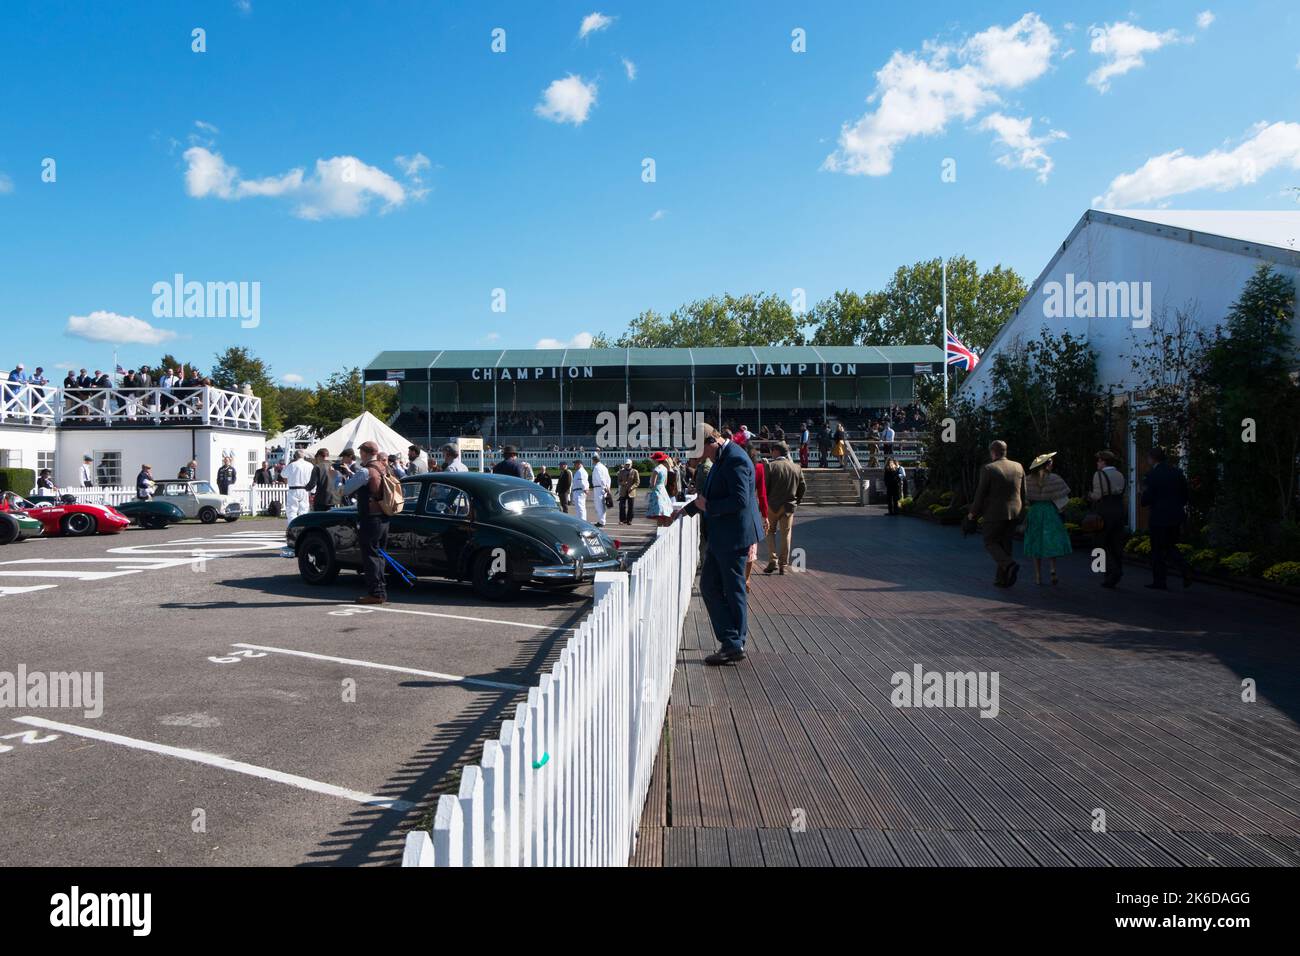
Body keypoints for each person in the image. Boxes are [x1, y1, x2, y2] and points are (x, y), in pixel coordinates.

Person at [673, 424, 764, 665]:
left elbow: (740, 500)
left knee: (732, 590)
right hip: (723, 535)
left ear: (709, 442)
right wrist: (688, 509)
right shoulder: (721, 457)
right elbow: (710, 495)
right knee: (712, 586)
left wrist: (708, 508)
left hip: (733, 537)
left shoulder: (735, 459)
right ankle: (732, 641)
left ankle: (734, 644)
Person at [967, 440, 1026, 588]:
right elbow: (1023, 492)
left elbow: (980, 494)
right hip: (1014, 512)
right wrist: (1022, 511)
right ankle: (1002, 579)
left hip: (995, 513)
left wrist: (973, 513)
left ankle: (1009, 564)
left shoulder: (988, 468)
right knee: (1006, 544)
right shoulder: (1018, 466)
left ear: (992, 452)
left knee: (990, 541)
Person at [340, 441, 392, 605]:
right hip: (384, 515)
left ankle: (375, 593)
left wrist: (338, 481)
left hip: (370, 517)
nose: (359, 455)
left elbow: (346, 490)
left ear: (364, 453)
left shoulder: (365, 471)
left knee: (370, 556)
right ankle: (381, 591)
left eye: (361, 452)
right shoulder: (384, 467)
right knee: (379, 555)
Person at [1142, 447, 1191, 590]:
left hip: (1159, 516)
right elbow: (1185, 494)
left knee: (1157, 548)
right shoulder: (1177, 472)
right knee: (1170, 545)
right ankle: (1184, 568)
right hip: (1175, 515)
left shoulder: (1152, 475)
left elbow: (1147, 498)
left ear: (1152, 458)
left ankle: (1160, 580)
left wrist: (1143, 496)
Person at [1023, 452, 1072, 585]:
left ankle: (1038, 576)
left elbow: (1025, 499)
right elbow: (1064, 500)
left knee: (1035, 543)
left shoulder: (1028, 480)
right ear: (1047, 465)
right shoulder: (1054, 478)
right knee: (1051, 540)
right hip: (1050, 511)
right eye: (1050, 463)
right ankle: (1052, 568)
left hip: (1035, 511)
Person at [762, 442, 805, 574]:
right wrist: (796, 501)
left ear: (776, 451)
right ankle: (783, 565)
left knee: (770, 532)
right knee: (786, 534)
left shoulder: (770, 466)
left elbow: (765, 487)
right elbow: (802, 487)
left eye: (772, 451)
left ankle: (772, 560)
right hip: (788, 506)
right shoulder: (796, 467)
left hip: (772, 505)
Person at [1090, 449, 1127, 589]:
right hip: (1118, 509)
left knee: (1100, 542)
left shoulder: (1099, 475)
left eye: (1098, 460)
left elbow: (1097, 495)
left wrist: (1090, 495)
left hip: (1104, 509)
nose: (1097, 463)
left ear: (1103, 461)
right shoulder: (1120, 474)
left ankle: (1110, 572)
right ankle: (1116, 570)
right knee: (1116, 542)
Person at [744, 445, 769, 591]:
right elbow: (762, 494)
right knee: (751, 547)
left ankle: (739, 577)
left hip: (736, 510)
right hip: (752, 511)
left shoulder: (738, 466)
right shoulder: (759, 468)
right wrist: (765, 516)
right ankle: (747, 578)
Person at [283, 450, 313, 524]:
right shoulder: (310, 465)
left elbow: (283, 474)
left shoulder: (292, 465)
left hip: (293, 489)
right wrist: (313, 491)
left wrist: (290, 463)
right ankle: (303, 526)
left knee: (292, 510)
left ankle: (292, 526)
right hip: (305, 489)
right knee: (304, 510)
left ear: (295, 456)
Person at [645, 451, 672, 526]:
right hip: (663, 490)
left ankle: (660, 530)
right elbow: (665, 483)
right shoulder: (665, 468)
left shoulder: (656, 469)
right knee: (664, 514)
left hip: (657, 491)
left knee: (659, 515)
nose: (653, 460)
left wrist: (651, 486)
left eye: (654, 459)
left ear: (657, 460)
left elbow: (652, 484)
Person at [590, 453, 611, 527]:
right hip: (602, 488)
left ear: (594, 460)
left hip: (599, 488)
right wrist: (608, 487)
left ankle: (601, 521)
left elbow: (600, 478)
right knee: (602, 505)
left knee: (599, 505)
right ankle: (602, 520)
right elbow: (608, 478)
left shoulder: (597, 467)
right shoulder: (604, 467)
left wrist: (604, 487)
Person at [617, 459, 638, 525]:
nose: (627, 465)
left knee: (630, 507)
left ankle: (629, 520)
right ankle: (622, 520)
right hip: (623, 491)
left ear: (631, 464)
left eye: (628, 464)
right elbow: (618, 481)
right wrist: (622, 483)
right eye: (626, 464)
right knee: (622, 506)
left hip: (631, 492)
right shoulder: (621, 472)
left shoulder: (635, 471)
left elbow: (637, 482)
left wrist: (631, 487)